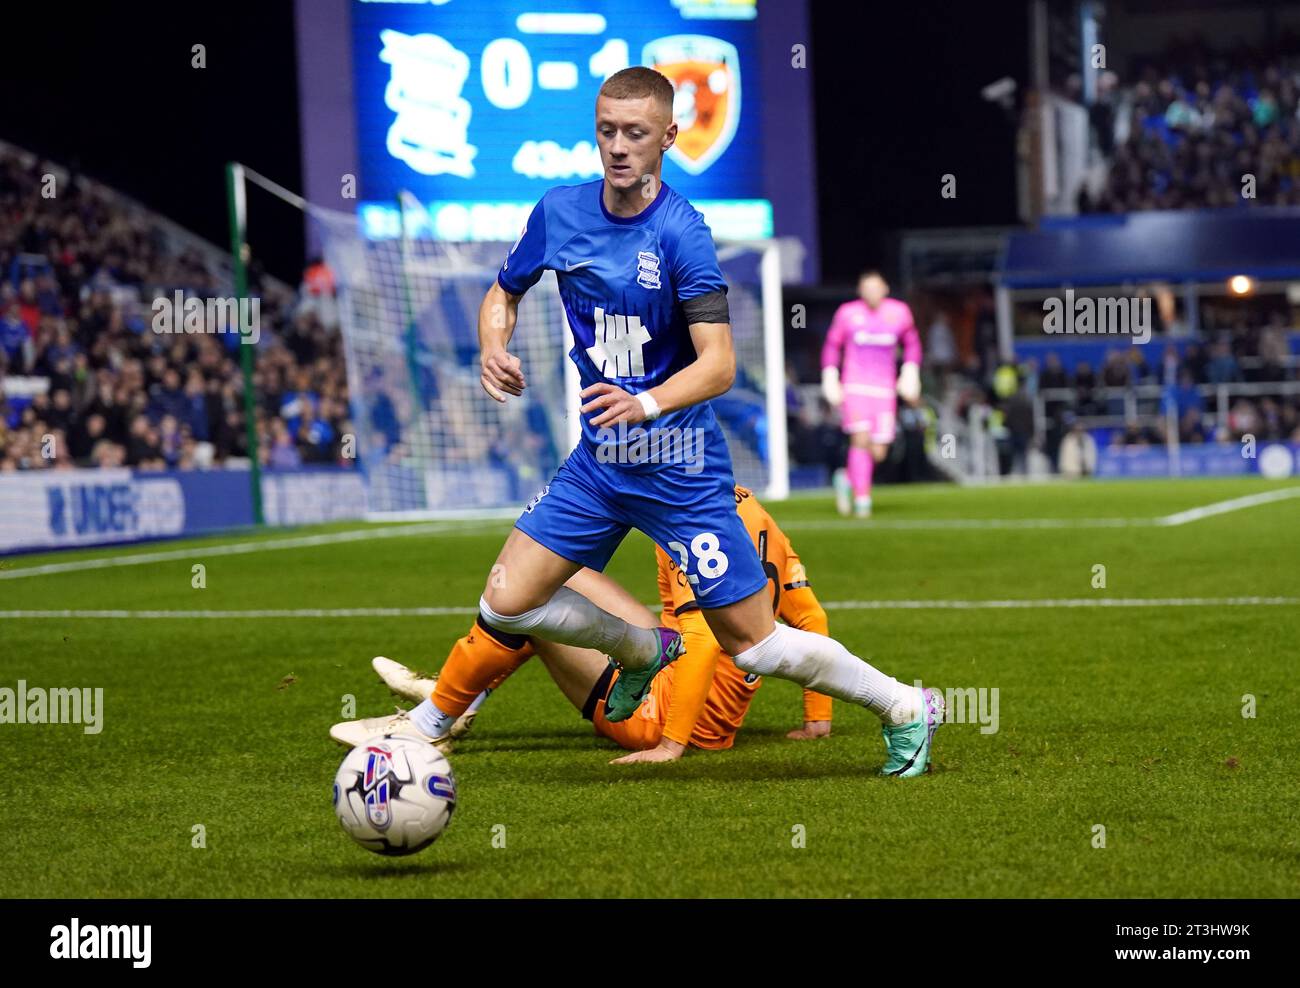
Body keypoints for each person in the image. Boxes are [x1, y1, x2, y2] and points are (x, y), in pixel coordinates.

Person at [351, 66, 944, 777]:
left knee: (754, 644)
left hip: (682, 466)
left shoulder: (682, 233)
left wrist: (648, 401)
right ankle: (637, 649)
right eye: (606, 131)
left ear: (668, 136)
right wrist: (491, 343)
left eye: (635, 133)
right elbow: (502, 291)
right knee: (507, 604)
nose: (618, 147)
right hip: (600, 465)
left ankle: (903, 706)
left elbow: (719, 363)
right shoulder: (558, 212)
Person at [331, 486, 837, 762]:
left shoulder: (685, 518)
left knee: (527, 597)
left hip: (665, 711)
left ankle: (439, 718)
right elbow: (809, 615)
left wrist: (671, 745)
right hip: (697, 691)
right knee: (552, 582)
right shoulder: (747, 505)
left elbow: (703, 642)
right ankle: (453, 698)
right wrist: (819, 717)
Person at [820, 270, 922, 518]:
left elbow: (912, 343)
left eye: (875, 287)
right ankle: (863, 499)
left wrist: (910, 372)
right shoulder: (848, 313)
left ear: (885, 289)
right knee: (860, 439)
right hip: (855, 385)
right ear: (860, 291)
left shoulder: (899, 313)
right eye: (866, 288)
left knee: (878, 451)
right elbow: (833, 344)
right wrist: (830, 376)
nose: (871, 292)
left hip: (884, 389)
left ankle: (845, 479)